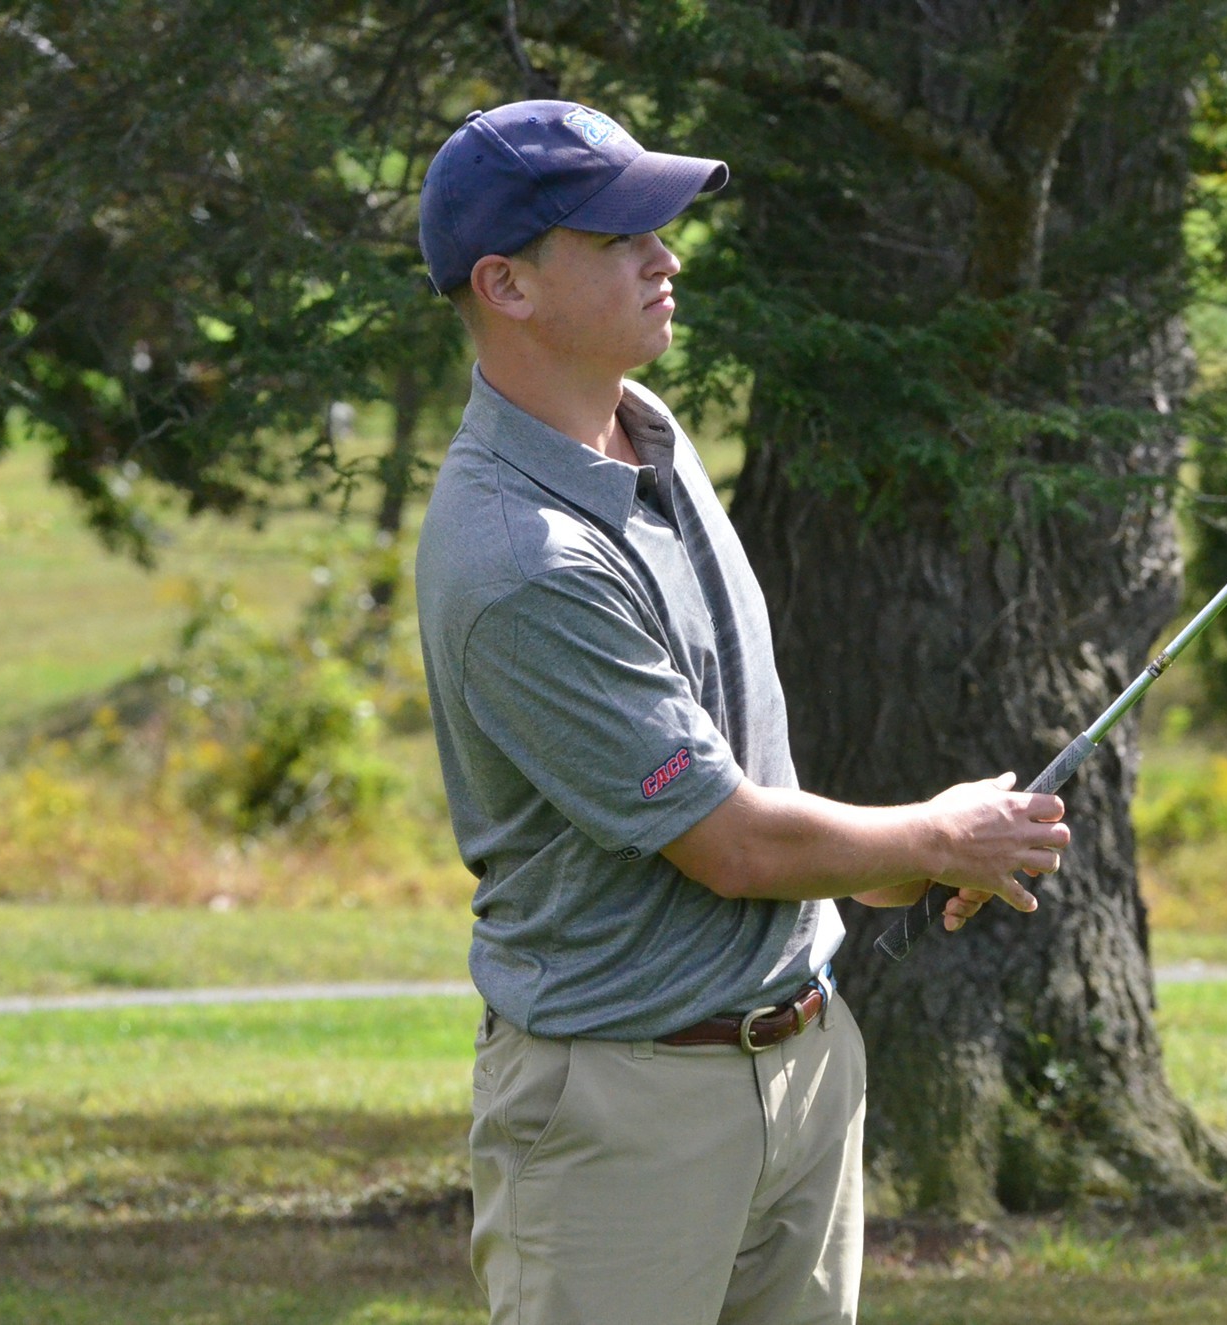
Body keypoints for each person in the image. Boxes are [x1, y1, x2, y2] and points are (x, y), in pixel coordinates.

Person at [413, 100, 1071, 1325]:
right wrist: (930, 837)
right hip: (621, 1108)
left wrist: (879, 870)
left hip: (806, 1059)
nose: (664, 257)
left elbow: (740, 765)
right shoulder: (519, 558)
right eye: (616, 237)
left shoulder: (652, 441)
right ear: (504, 284)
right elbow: (728, 841)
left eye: (656, 228)